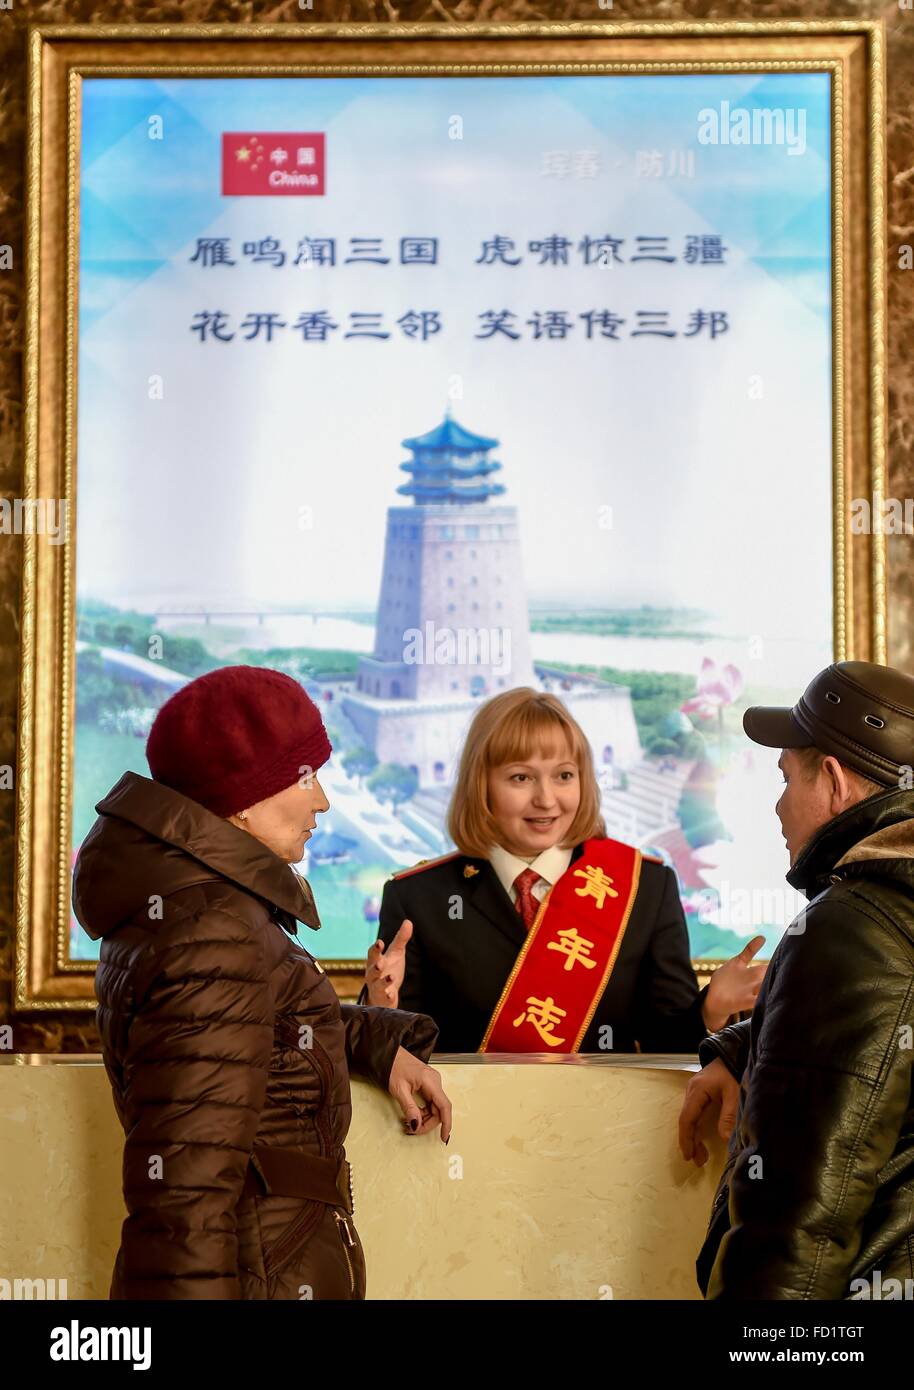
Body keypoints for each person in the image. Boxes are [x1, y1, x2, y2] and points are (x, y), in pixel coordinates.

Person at [72, 665, 451, 1301]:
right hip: (263, 1272)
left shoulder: (198, 910)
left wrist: (378, 1043)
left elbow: (250, 1024)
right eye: (307, 778)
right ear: (242, 798)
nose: (323, 801)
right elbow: (185, 1195)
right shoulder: (212, 929)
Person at [678, 659, 914, 1299]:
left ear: (834, 780)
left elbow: (802, 1211)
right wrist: (750, 1043)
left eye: (786, 778)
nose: (778, 805)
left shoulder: (852, 926)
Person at [362, 687, 763, 1053]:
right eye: (521, 778)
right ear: (480, 785)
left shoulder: (645, 887)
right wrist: (381, 1007)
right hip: (467, 1128)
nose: (546, 799)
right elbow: (403, 1059)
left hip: (606, 1127)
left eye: (564, 776)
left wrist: (710, 1010)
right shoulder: (419, 897)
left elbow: (667, 1046)